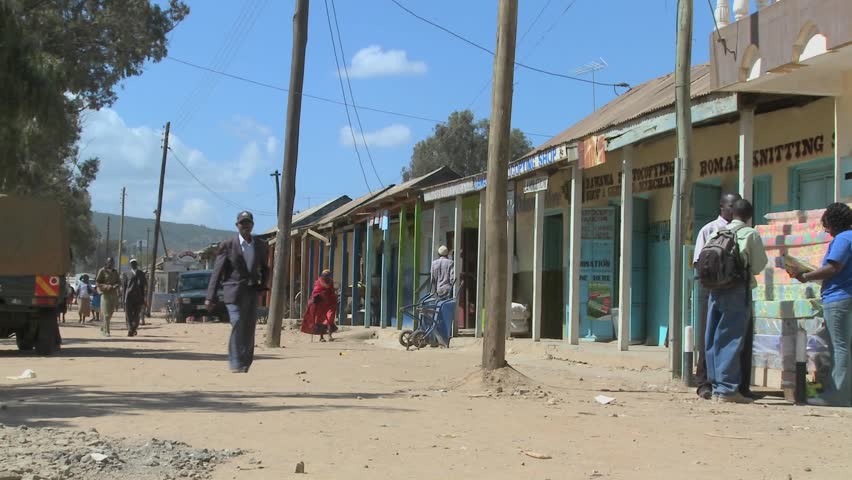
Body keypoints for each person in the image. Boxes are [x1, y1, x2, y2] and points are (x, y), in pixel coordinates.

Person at [787, 203, 852, 407]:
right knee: (845, 346)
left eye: (827, 226)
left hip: (839, 297)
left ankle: (838, 394)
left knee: (839, 347)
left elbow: (833, 267)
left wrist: (805, 275)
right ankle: (843, 392)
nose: (827, 231)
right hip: (847, 296)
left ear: (832, 223)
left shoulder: (843, 239)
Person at [705, 199, 768, 404]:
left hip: (715, 289)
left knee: (713, 337)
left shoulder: (717, 232)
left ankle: (715, 386)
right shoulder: (750, 234)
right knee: (731, 338)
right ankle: (727, 389)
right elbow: (758, 265)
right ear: (749, 216)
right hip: (736, 290)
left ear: (732, 214)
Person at [693, 192, 751, 400]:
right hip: (712, 288)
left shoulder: (745, 231)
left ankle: (737, 384)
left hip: (734, 287)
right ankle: (705, 383)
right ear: (722, 207)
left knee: (735, 337)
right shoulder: (709, 230)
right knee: (709, 336)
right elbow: (698, 262)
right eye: (730, 206)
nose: (734, 209)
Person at [206, 211, 269, 373]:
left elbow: (265, 268)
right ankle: (235, 361)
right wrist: (210, 297)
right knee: (238, 321)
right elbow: (217, 272)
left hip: (252, 291)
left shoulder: (260, 245)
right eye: (242, 223)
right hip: (233, 292)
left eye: (248, 223)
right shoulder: (228, 245)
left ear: (253, 225)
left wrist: (263, 286)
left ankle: (245, 362)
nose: (245, 226)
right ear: (237, 226)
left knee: (249, 326)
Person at [301, 270, 339, 342]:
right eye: (326, 275)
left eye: (328, 275)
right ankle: (321, 337)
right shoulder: (319, 282)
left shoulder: (330, 282)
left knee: (330, 319)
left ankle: (329, 335)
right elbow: (315, 293)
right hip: (320, 304)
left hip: (329, 304)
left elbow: (331, 291)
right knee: (320, 321)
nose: (327, 277)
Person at [96, 257, 121, 337]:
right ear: (106, 262)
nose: (111, 263)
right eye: (109, 262)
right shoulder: (102, 271)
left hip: (113, 294)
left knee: (110, 313)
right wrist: (107, 287)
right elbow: (98, 282)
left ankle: (103, 326)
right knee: (106, 313)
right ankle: (107, 331)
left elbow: (119, 282)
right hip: (105, 294)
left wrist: (116, 286)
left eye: (112, 262)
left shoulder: (115, 272)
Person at [122, 258, 147, 337]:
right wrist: (123, 299)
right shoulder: (127, 274)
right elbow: (124, 287)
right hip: (129, 297)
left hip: (138, 297)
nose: (133, 264)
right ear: (130, 265)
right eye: (132, 263)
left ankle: (134, 328)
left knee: (137, 315)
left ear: (137, 264)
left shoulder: (141, 273)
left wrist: (144, 298)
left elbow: (144, 286)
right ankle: (130, 330)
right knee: (128, 315)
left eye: (135, 263)